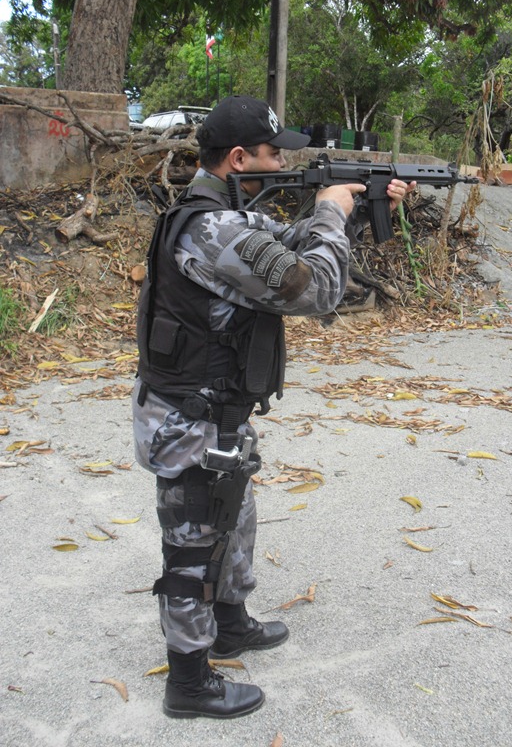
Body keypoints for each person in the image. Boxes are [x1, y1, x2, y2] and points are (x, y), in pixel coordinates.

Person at [132, 95, 414, 720]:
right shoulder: (213, 229)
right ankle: (188, 681)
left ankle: (228, 623)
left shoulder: (224, 215)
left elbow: (289, 244)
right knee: (193, 541)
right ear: (239, 158)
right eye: (272, 152)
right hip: (188, 419)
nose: (282, 160)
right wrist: (328, 212)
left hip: (213, 412)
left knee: (233, 517)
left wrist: (360, 210)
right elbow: (312, 287)